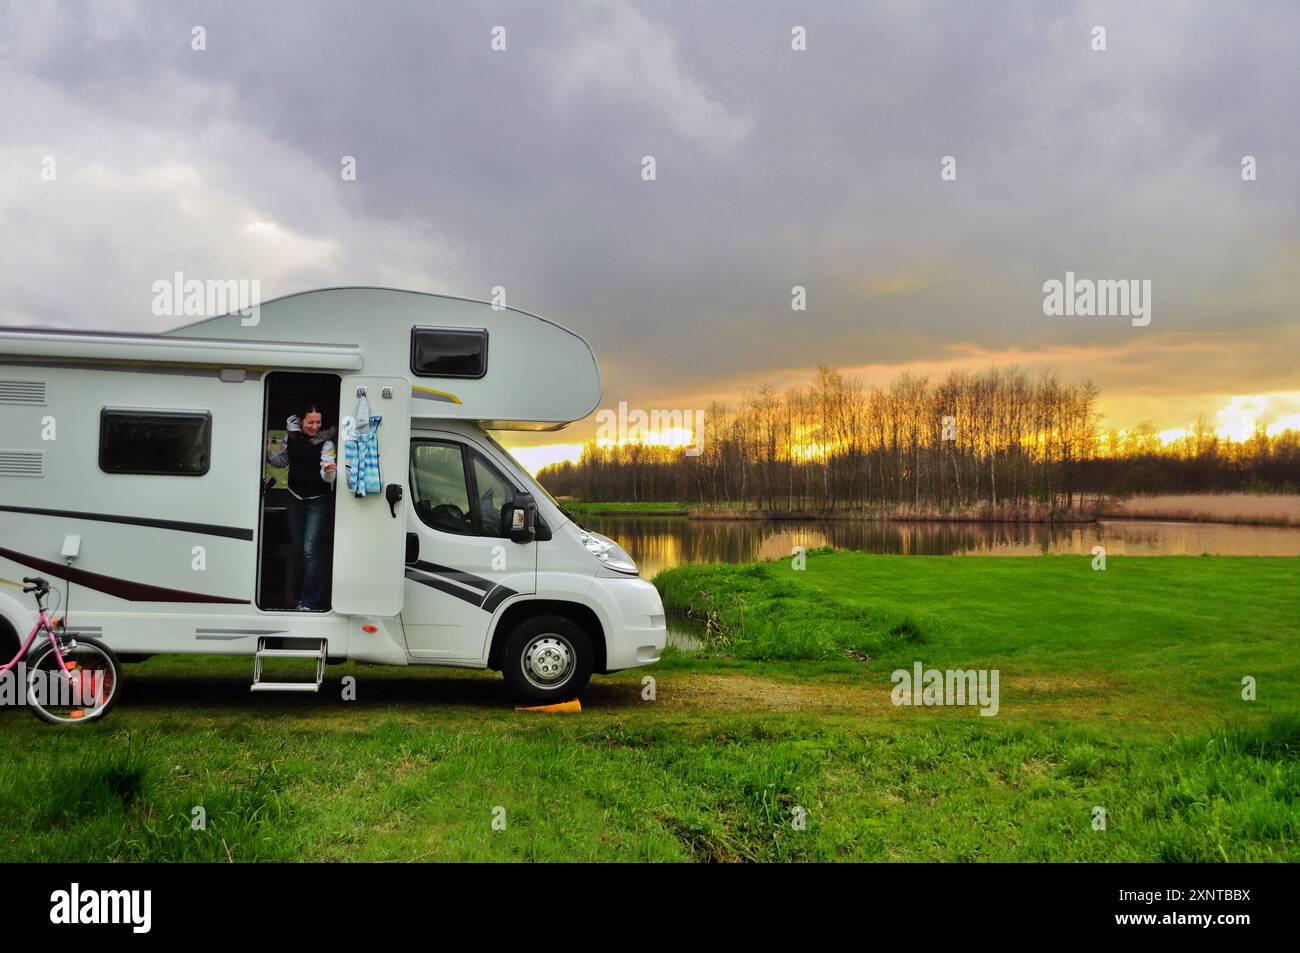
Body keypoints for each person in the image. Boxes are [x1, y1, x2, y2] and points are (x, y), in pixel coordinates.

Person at [265, 405, 337, 610]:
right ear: (301, 422)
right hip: (294, 497)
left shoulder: (327, 443)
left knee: (309, 551)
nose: (315, 426)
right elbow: (282, 462)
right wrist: (268, 452)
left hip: (317, 500)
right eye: (310, 422)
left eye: (318, 422)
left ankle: (309, 602)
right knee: (297, 550)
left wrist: (329, 471)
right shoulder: (293, 439)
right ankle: (298, 597)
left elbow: (328, 474)